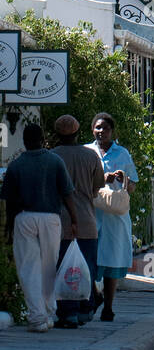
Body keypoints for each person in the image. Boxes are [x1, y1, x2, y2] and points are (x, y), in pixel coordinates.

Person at [0, 123, 79, 331]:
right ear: (43, 139)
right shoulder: (55, 161)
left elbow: (9, 202)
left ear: (25, 142)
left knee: (28, 268)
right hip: (51, 218)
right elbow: (67, 193)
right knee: (48, 266)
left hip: (24, 218)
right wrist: (74, 219)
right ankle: (49, 312)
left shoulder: (16, 165)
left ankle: (36, 317)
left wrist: (8, 228)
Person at [52, 115, 103, 328]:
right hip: (87, 220)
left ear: (56, 134)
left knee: (63, 268)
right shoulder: (90, 156)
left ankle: (68, 312)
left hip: (61, 222)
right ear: (77, 133)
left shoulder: (52, 156)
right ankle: (87, 305)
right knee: (85, 267)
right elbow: (97, 186)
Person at [86, 113, 137, 322]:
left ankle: (108, 306)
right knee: (89, 260)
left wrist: (124, 179)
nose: (101, 132)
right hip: (91, 214)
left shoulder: (122, 154)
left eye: (105, 128)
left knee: (112, 262)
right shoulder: (86, 152)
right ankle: (94, 297)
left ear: (112, 131)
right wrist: (101, 178)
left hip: (115, 216)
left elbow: (132, 186)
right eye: (98, 128)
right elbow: (79, 182)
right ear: (92, 130)